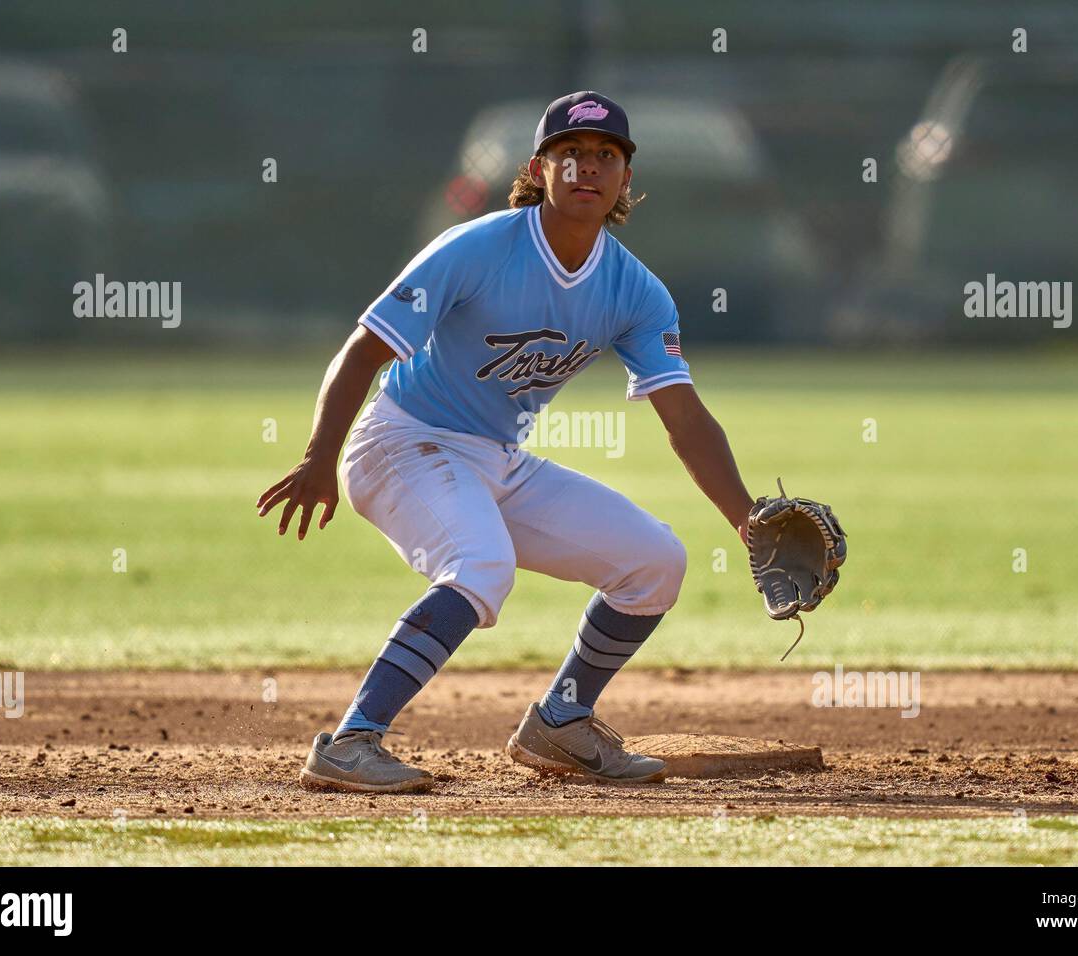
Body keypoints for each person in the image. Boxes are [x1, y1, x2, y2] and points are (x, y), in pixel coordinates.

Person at [257, 91, 755, 792]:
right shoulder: (479, 246)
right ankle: (351, 742)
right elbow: (365, 349)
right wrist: (318, 456)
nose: (588, 168)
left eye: (605, 156)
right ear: (539, 169)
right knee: (481, 566)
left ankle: (561, 722)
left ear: (626, 179)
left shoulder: (635, 291)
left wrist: (746, 518)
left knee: (656, 561)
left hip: (498, 461)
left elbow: (686, 419)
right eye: (570, 154)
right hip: (403, 441)